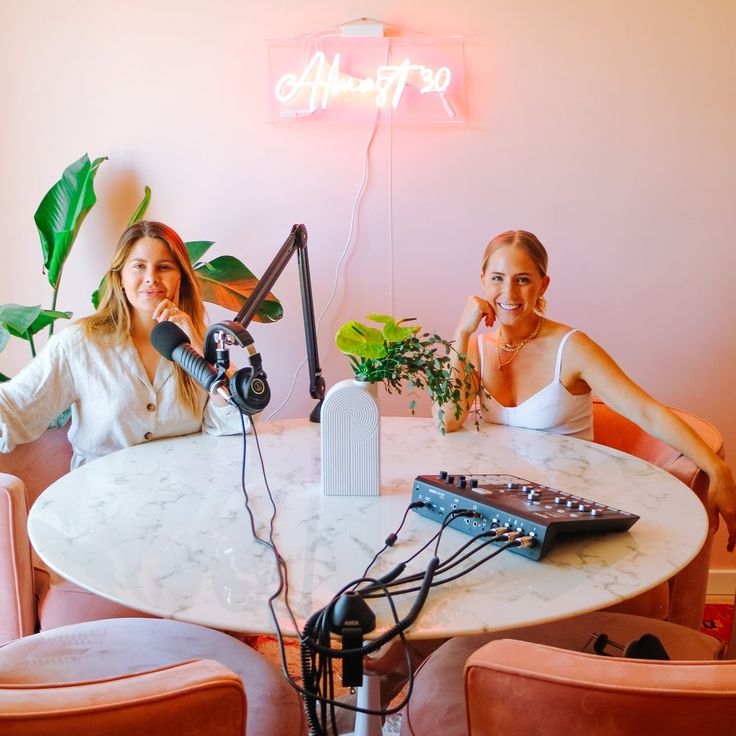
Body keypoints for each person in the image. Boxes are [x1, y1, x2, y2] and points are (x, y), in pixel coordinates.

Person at [434, 228, 736, 551]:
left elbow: (647, 412)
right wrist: (462, 332)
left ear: (542, 285)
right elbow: (446, 420)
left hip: (564, 514)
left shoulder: (571, 348)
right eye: (497, 278)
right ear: (482, 280)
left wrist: (716, 467)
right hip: (501, 513)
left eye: (522, 279)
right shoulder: (476, 349)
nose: (508, 292)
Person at [0, 220, 244, 469]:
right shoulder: (79, 344)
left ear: (180, 279)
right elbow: (13, 408)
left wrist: (197, 351)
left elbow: (233, 424)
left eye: (164, 267)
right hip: (101, 499)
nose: (151, 278)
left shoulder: (198, 343)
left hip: (186, 497)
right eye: (139, 266)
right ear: (120, 278)